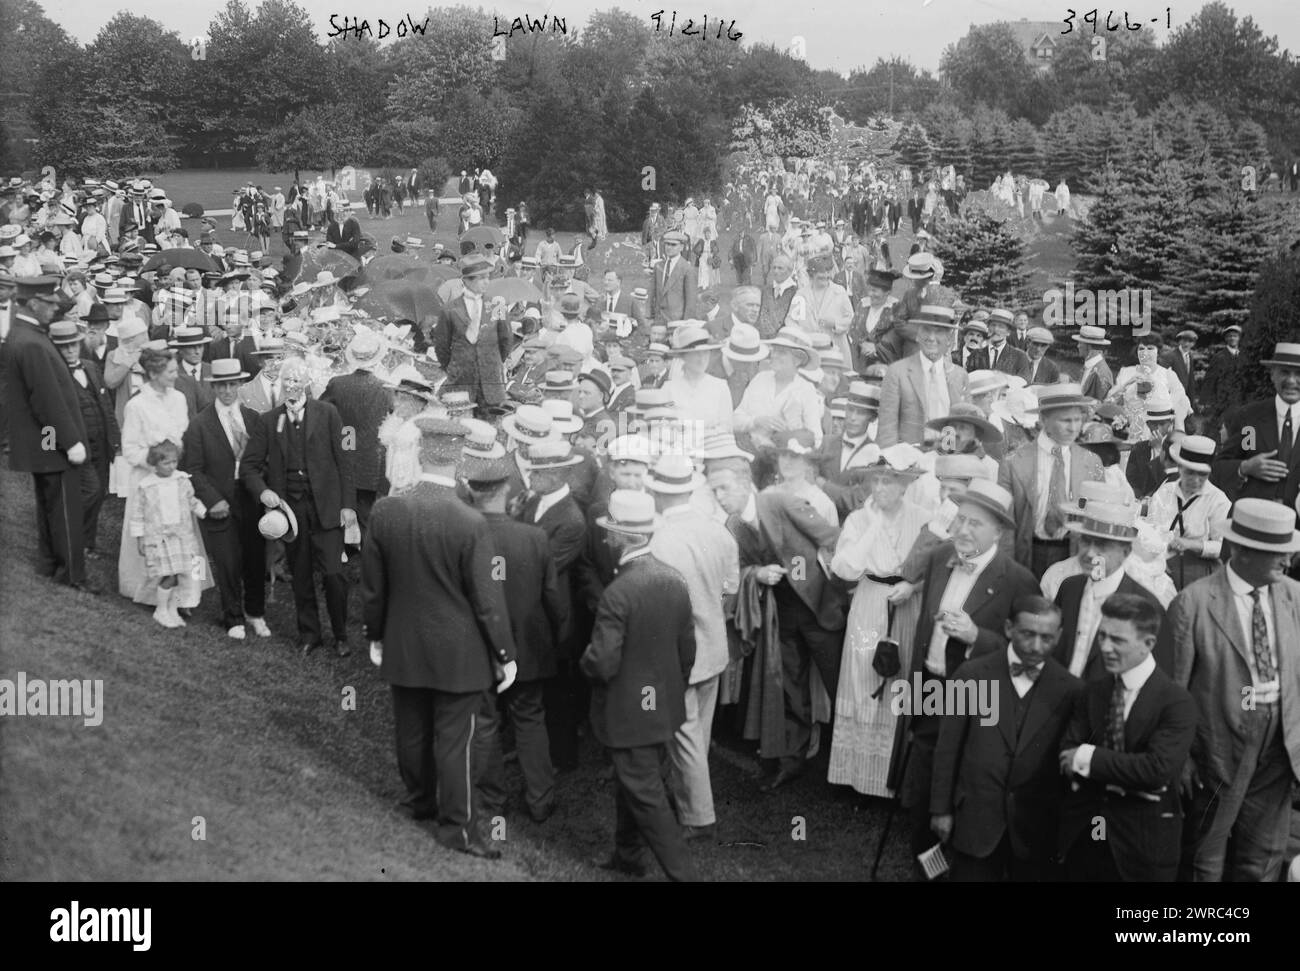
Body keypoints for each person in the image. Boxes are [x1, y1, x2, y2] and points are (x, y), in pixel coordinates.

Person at [363, 417, 517, 859]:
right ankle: (459, 829)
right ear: (461, 458)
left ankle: (419, 801)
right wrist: (505, 652)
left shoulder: (388, 510)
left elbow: (373, 586)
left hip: (405, 640)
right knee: (455, 742)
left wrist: (376, 634)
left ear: (422, 452)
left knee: (410, 730)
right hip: (459, 651)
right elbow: (487, 600)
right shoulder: (470, 522)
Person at [900, 479, 1040, 861]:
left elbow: (1031, 652)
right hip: (932, 684)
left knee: (965, 777)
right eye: (960, 519)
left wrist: (977, 635)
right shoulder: (939, 557)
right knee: (927, 771)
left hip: (976, 695)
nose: (963, 529)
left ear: (998, 531)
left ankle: (963, 862)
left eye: (975, 524)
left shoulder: (1017, 579)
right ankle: (926, 861)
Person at [1169, 499, 1300, 882]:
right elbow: (1174, 691)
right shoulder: (1192, 603)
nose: (1287, 560)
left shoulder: (1294, 597)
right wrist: (1182, 758)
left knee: (1263, 857)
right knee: (1206, 857)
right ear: (1241, 550)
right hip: (1217, 750)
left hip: (1280, 746)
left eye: (1288, 551)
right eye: (1276, 552)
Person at [708, 455, 845, 792]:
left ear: (745, 484)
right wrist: (758, 573)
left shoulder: (780, 502)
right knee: (790, 688)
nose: (720, 497)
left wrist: (823, 576)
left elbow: (832, 537)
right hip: (780, 614)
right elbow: (737, 572)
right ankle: (792, 762)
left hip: (821, 607)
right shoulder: (733, 526)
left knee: (840, 685)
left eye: (725, 488)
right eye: (715, 491)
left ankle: (850, 766)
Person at [580, 489, 698, 881]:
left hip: (628, 714)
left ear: (625, 537)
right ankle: (627, 855)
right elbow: (687, 651)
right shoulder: (673, 578)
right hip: (661, 707)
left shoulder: (618, 592)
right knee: (636, 785)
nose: (606, 538)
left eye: (611, 532)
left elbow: (602, 660)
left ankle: (682, 874)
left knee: (645, 794)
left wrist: (585, 664)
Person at [930, 595, 1080, 881]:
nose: (1037, 646)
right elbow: (947, 748)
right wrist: (941, 810)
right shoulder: (971, 676)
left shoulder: (1070, 689)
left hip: (1034, 829)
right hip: (976, 820)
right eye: (1028, 634)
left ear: (1059, 636)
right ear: (1009, 629)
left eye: (1047, 638)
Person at [1058, 593, 1195, 882]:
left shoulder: (1176, 701)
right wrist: (1130, 779)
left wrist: (1089, 758)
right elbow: (1067, 752)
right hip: (1086, 841)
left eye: (1117, 640)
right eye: (1102, 636)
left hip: (1143, 849)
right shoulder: (1093, 692)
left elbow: (1157, 770)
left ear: (1148, 644)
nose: (1105, 647)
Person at [464, 456, 566, 824]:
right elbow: (554, 600)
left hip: (479, 646)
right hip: (528, 646)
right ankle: (540, 799)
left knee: (485, 720)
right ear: (507, 490)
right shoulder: (534, 537)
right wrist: (556, 637)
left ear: (472, 492)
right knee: (530, 718)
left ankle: (493, 801)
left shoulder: (462, 533)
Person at [646, 454, 740, 841]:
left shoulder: (660, 539)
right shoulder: (719, 531)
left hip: (681, 650)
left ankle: (699, 817)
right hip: (714, 645)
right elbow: (730, 588)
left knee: (684, 735)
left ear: (656, 491)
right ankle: (689, 798)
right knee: (697, 732)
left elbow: (661, 604)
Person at [827, 446, 929, 797]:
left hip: (907, 601)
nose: (880, 488)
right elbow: (845, 568)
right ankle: (860, 777)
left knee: (899, 677)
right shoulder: (859, 520)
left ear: (905, 486)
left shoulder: (921, 517)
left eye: (889, 482)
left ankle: (893, 777)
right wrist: (872, 525)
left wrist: (912, 586)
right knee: (864, 674)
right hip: (870, 601)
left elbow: (936, 564)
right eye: (876, 481)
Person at [241, 357, 357, 658]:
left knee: (334, 574)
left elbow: (345, 462)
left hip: (327, 508)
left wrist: (348, 506)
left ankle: (341, 634)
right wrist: (264, 491)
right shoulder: (269, 421)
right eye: (286, 382)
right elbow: (249, 467)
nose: (291, 387)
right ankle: (310, 634)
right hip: (291, 511)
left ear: (306, 384)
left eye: (296, 382)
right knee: (301, 573)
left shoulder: (328, 413)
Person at [2, 285, 94, 590]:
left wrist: (51, 443)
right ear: (34, 303)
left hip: (44, 439)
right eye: (50, 302)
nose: (56, 307)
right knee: (63, 508)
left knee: (49, 503)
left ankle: (48, 562)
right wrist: (69, 443)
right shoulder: (32, 342)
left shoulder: (26, 334)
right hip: (51, 438)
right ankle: (70, 573)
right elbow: (46, 402)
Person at [181, 358, 270, 641]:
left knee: (255, 558)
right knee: (227, 560)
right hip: (219, 497)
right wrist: (212, 499)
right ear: (214, 387)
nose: (228, 391)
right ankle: (232, 616)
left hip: (250, 496)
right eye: (222, 386)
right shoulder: (200, 423)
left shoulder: (254, 419)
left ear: (240, 384)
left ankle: (255, 612)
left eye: (233, 384)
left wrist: (264, 491)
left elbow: (263, 461)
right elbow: (192, 469)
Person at [118, 344, 210, 609]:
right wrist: (156, 461)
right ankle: (150, 593)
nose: (175, 375)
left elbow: (183, 435)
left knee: (186, 535)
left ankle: (191, 593)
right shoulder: (136, 405)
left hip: (175, 478)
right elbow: (130, 450)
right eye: (170, 371)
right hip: (149, 481)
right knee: (154, 537)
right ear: (154, 373)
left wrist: (176, 460)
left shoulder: (178, 398)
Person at [998, 383, 1105, 577]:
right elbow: (1005, 525)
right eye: (1065, 421)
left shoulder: (1092, 463)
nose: (1073, 428)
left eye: (1078, 420)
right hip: (1028, 557)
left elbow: (1098, 521)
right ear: (1043, 419)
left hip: (1075, 557)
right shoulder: (1014, 463)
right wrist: (1005, 574)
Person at [1052, 500, 1165, 681]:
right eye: (1086, 542)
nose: (1090, 553)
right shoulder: (1069, 588)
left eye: (1102, 546)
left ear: (1126, 552)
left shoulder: (1146, 604)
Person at [127, 439, 207, 628]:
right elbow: (138, 514)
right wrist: (140, 539)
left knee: (182, 573)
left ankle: (172, 608)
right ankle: (160, 610)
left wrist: (203, 511)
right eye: (166, 463)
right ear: (155, 463)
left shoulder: (181, 480)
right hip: (159, 538)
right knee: (168, 575)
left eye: (174, 462)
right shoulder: (146, 486)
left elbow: (191, 500)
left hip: (181, 536)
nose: (171, 467)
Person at [320, 329, 391, 536]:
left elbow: (321, 412)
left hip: (344, 452)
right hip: (373, 459)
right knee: (367, 510)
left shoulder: (337, 384)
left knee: (345, 505)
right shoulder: (386, 388)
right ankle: (364, 550)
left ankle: (349, 546)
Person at [1215, 341, 1300, 508]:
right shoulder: (1251, 420)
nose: (1291, 381)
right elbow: (1219, 467)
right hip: (1250, 522)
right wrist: (1245, 467)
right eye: (1284, 372)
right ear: (1272, 375)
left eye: (1298, 373)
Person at [1146, 435, 1230, 590]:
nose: (1196, 480)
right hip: (1160, 567)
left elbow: (1223, 546)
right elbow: (1150, 530)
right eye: (1190, 473)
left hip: (1199, 572)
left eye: (1202, 474)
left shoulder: (1218, 500)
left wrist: (1191, 544)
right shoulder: (1165, 492)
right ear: (1179, 467)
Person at [876, 305, 968, 448]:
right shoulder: (898, 372)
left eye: (939, 332)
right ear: (918, 334)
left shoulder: (959, 375)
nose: (931, 338)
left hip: (947, 458)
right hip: (908, 462)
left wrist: (952, 457)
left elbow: (964, 427)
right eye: (926, 330)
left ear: (949, 338)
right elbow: (887, 428)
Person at [433, 255, 513, 414]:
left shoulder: (496, 305)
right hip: (460, 381)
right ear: (467, 281)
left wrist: (492, 361)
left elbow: (506, 339)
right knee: (461, 424)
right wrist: (456, 366)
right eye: (481, 278)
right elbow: (441, 346)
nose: (486, 282)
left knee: (488, 428)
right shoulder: (450, 310)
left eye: (488, 277)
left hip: (491, 384)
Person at [648, 231, 700, 325]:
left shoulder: (687, 269)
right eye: (667, 244)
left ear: (681, 247)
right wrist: (650, 317)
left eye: (673, 245)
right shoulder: (658, 266)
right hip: (658, 320)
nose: (669, 247)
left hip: (676, 322)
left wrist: (686, 324)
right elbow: (652, 293)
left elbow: (691, 301)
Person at [1075, 326, 1115, 403]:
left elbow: (1101, 405)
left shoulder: (1102, 373)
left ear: (1088, 346)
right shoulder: (1088, 366)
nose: (1078, 346)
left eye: (1080, 342)